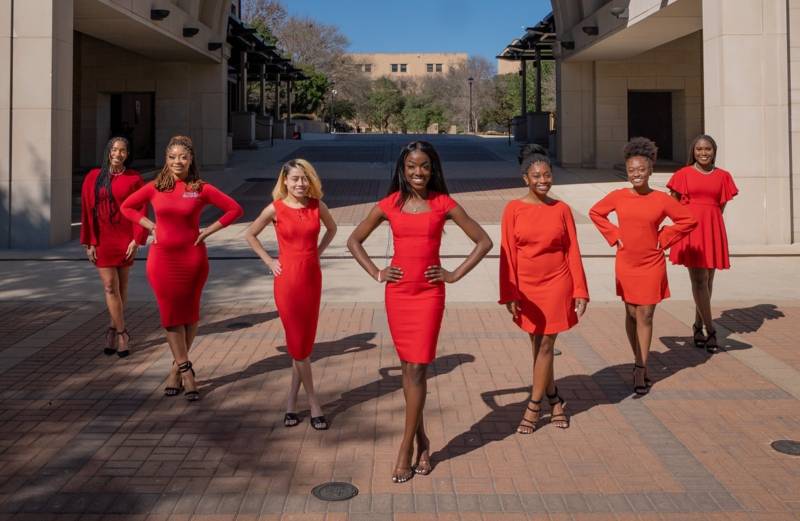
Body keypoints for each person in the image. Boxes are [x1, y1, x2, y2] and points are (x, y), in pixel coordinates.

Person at [347, 141, 492, 483]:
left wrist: (454, 273)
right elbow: (354, 240)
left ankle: (405, 448)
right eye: (412, 166)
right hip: (398, 294)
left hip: (428, 295)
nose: (418, 172)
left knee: (416, 372)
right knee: (409, 372)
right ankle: (423, 439)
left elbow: (484, 241)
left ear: (433, 168)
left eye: (424, 166)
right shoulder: (389, 204)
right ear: (402, 168)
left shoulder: (443, 203)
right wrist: (377, 272)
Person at [121, 136, 243, 401]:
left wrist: (209, 231)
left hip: (193, 259)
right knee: (171, 316)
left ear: (191, 160)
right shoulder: (154, 187)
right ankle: (187, 371)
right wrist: (149, 226)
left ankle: (176, 369)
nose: (178, 161)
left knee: (189, 315)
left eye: (183, 157)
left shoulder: (201, 188)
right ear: (166, 159)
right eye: (173, 157)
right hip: (162, 260)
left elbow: (235, 209)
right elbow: (127, 207)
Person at [589, 137, 696, 395]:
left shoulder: (661, 199)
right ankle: (638, 354)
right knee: (630, 312)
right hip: (627, 262)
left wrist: (665, 237)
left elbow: (688, 219)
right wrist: (614, 235)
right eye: (631, 170)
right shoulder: (618, 196)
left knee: (645, 314)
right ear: (627, 172)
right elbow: (596, 213)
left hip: (652, 262)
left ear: (650, 170)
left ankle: (640, 366)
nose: (636, 174)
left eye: (641, 170)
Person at [244, 159, 337, 430]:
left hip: (311, 279)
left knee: (303, 348)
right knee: (298, 346)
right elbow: (250, 234)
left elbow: (332, 229)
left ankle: (290, 406)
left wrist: (317, 253)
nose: (300, 183)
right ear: (284, 180)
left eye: (304, 178)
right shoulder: (276, 208)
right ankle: (314, 404)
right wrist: (269, 261)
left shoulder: (317, 206)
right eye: (295, 178)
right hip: (287, 281)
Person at [499, 153, 589, 433]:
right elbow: (507, 254)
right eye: (536, 176)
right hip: (526, 287)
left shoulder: (561, 209)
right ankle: (555, 399)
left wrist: (580, 289)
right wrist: (509, 292)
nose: (543, 180)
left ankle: (533, 406)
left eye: (547, 175)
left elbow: (572, 249)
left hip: (557, 283)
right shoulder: (513, 209)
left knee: (547, 344)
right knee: (538, 347)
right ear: (525, 178)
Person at [666, 135, 738, 353]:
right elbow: (673, 206)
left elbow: (720, 206)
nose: (703, 153)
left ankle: (697, 326)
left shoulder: (723, 176)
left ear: (714, 151)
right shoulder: (683, 174)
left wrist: (710, 221)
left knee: (708, 282)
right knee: (699, 280)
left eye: (707, 149)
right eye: (699, 149)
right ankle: (711, 329)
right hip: (691, 232)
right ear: (693, 151)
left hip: (713, 229)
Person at [80, 136, 148, 357]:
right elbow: (87, 211)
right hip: (102, 239)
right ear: (108, 152)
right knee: (110, 286)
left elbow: (141, 210)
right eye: (114, 150)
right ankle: (122, 333)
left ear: (127, 155)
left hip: (125, 238)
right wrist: (89, 241)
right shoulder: (93, 177)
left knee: (122, 287)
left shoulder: (134, 178)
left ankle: (111, 328)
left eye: (123, 151)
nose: (118, 154)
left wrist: (136, 239)